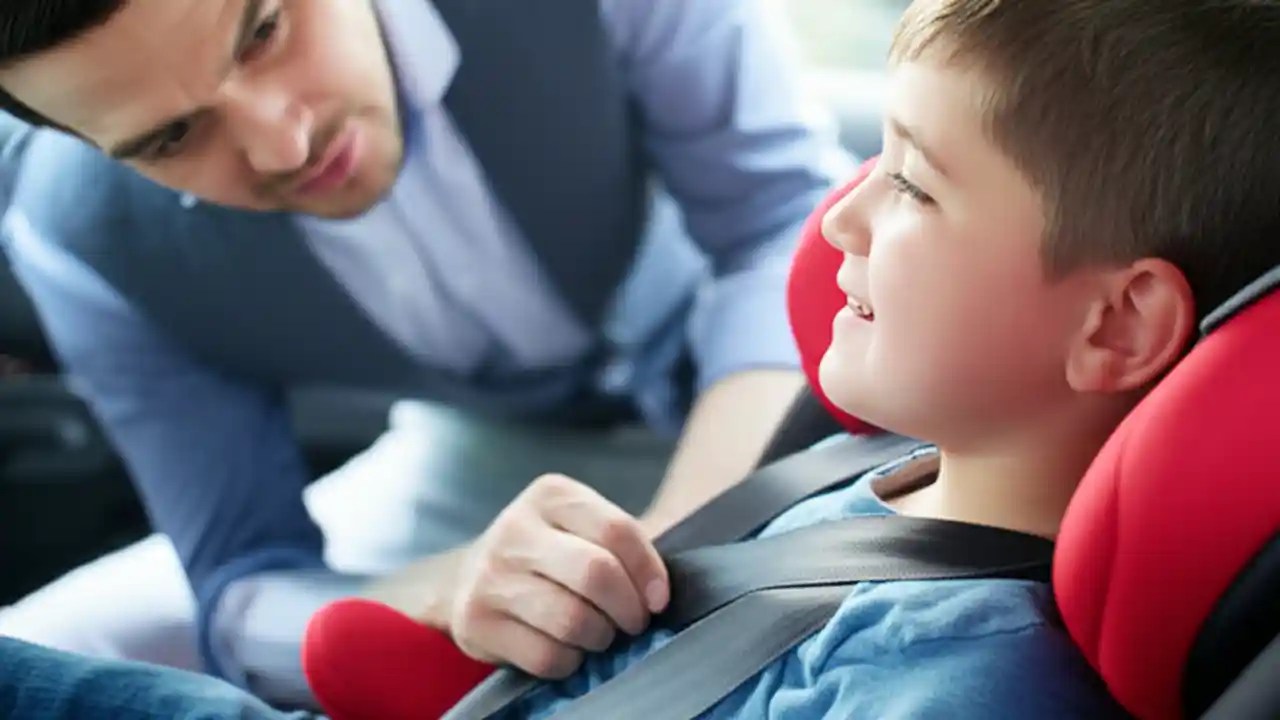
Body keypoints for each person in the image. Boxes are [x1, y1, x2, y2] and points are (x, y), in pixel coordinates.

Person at [0, 0, 849, 706]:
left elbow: (778, 223)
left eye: (263, 31)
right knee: (49, 645)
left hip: (785, 374)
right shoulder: (77, 235)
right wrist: (444, 595)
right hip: (481, 459)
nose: (282, 146)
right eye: (171, 138)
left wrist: (682, 532)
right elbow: (241, 578)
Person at [474, 0, 1279, 716]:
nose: (839, 221)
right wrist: (535, 610)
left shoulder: (953, 685)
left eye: (912, 185)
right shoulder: (854, 466)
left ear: (1115, 326)